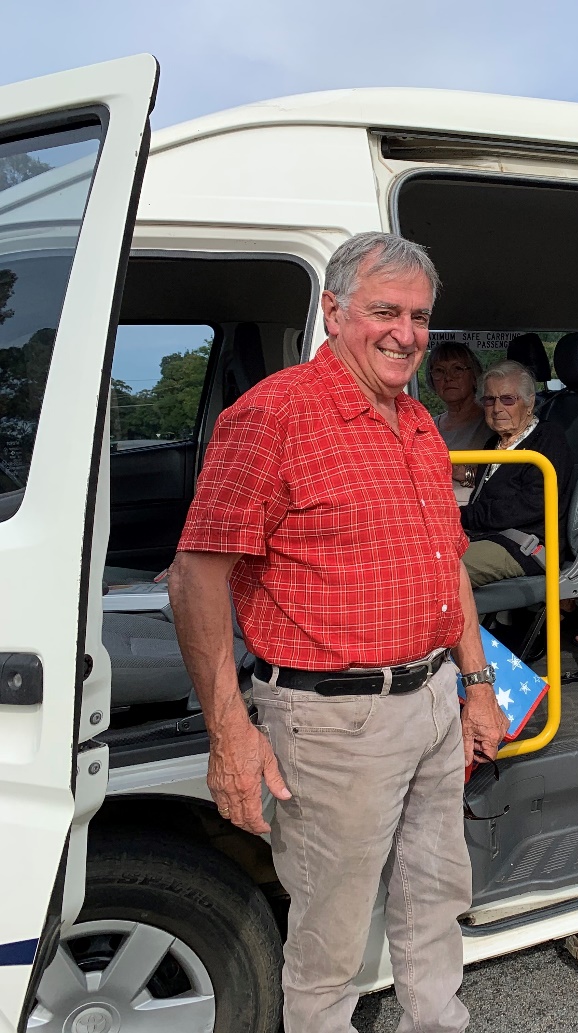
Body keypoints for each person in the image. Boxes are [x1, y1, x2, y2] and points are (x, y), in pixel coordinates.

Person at [168, 232, 508, 1033]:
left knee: (436, 897)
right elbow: (194, 577)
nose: (406, 334)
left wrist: (476, 685)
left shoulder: (417, 421)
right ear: (332, 310)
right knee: (331, 933)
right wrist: (230, 734)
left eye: (419, 316)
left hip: (433, 697)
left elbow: (449, 564)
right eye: (385, 311)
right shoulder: (273, 415)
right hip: (332, 720)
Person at [460, 359, 572, 587]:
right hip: (490, 537)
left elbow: (531, 505)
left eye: (508, 399)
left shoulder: (548, 439)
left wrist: (461, 516)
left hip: (526, 545)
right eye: (489, 400)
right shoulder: (492, 444)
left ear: (529, 403)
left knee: (440, 567)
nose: (497, 408)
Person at [427, 339, 488, 500]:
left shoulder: (493, 422)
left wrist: (465, 473)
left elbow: (506, 478)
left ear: (474, 377)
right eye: (439, 371)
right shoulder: (427, 426)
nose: (448, 377)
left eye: (457, 369)